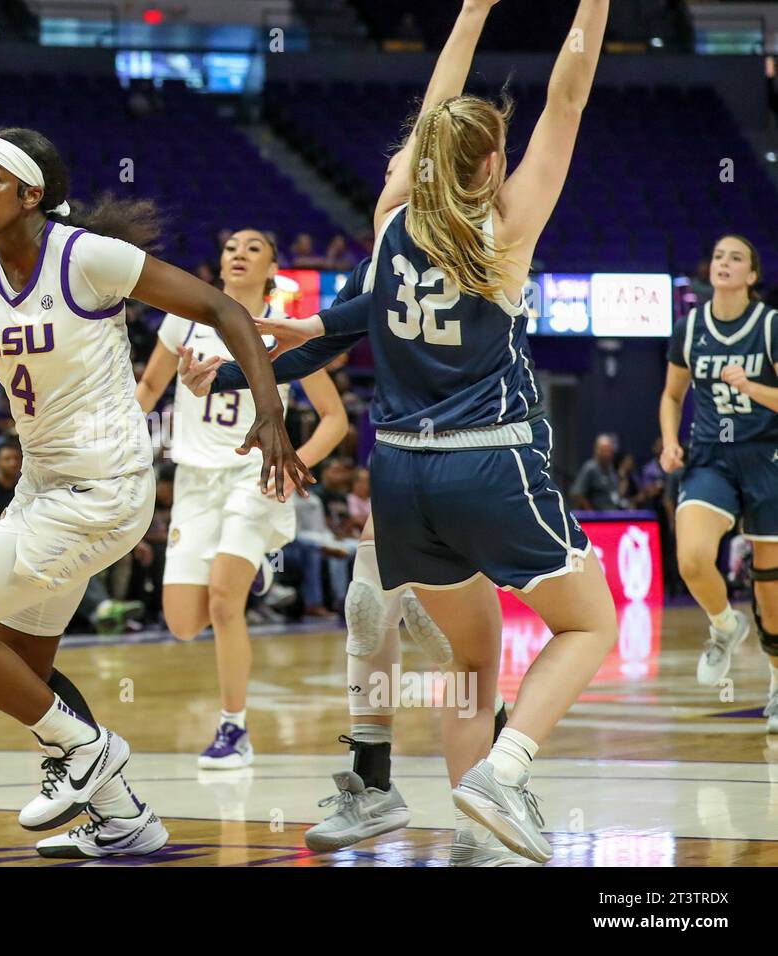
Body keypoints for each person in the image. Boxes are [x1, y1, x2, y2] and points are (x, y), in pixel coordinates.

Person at [0, 127, 310, 860]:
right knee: (20, 667)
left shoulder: (87, 257)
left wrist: (268, 411)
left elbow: (224, 312)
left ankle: (88, 748)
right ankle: (125, 816)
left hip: (106, 486)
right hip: (43, 484)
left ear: (32, 194)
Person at [241, 0, 616, 865]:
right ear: (491, 161)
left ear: (425, 156)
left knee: (469, 660)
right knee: (589, 623)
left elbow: (433, 112)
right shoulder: (506, 231)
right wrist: (593, 4)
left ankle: (468, 826)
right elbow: (568, 101)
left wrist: (472, 13)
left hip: (401, 478)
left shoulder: (391, 216)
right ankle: (502, 768)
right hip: (487, 465)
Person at [135, 227, 348, 769]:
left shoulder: (280, 331)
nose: (238, 254)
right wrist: (112, 438)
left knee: (224, 601)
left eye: (253, 248)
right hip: (194, 482)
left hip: (251, 478)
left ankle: (234, 729)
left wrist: (294, 464)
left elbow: (334, 418)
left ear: (273, 268)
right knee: (184, 621)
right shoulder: (184, 316)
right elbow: (148, 392)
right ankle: (251, 568)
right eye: (230, 246)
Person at [660, 233, 778, 731]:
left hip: (765, 458)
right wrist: (669, 440)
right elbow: (671, 396)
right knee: (691, 557)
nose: (724, 262)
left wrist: (750, 386)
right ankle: (724, 626)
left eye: (736, 258)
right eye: (717, 256)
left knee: (771, 597)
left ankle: (776, 682)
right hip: (710, 458)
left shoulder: (770, 326)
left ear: (751, 275)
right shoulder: (689, 329)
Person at [570, 433, 622, 510]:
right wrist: (590, 513)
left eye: (609, 450)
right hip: (596, 519)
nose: (607, 454)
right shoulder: (590, 467)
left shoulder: (610, 468)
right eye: (604, 450)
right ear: (597, 450)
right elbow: (576, 494)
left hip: (612, 516)